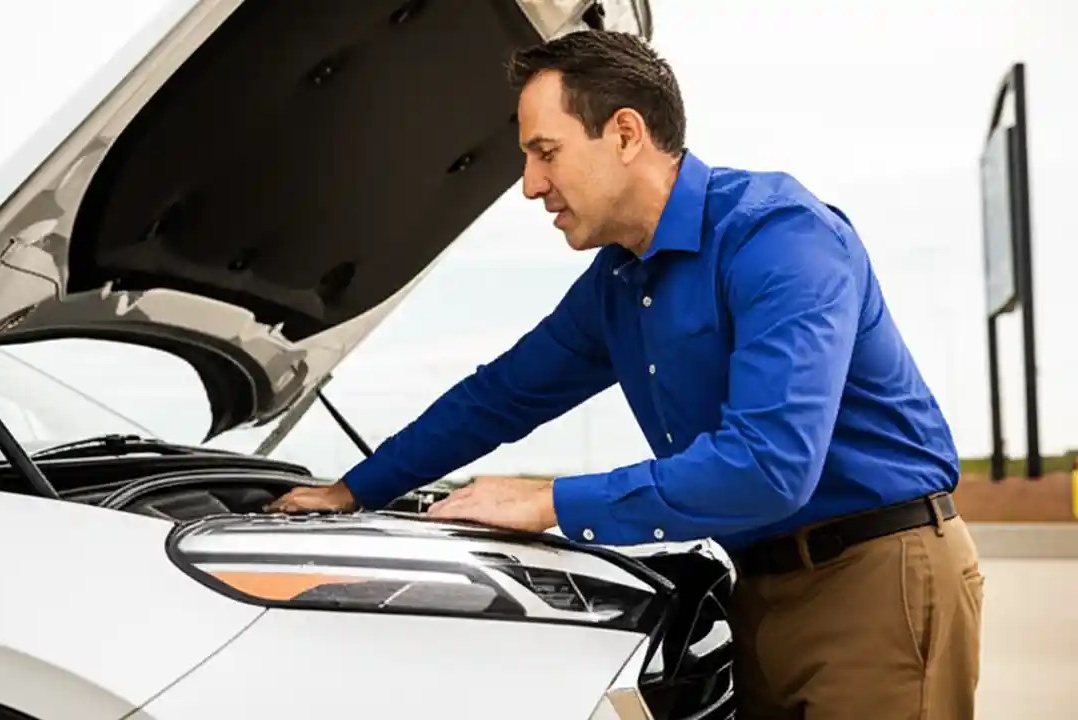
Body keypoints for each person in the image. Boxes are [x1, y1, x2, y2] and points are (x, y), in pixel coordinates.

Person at [266, 29, 983, 719]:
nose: (529, 184)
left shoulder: (780, 238)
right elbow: (501, 396)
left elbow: (770, 465)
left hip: (876, 580)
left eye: (545, 152)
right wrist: (352, 490)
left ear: (626, 134)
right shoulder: (619, 281)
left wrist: (549, 500)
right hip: (756, 588)